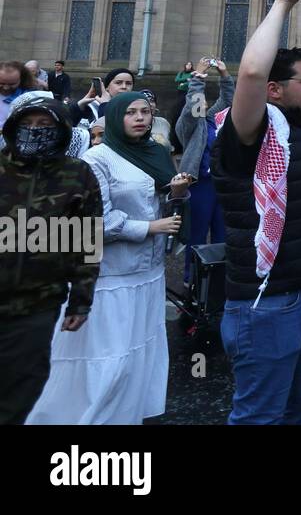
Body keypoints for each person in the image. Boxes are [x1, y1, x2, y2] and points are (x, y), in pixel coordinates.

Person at [212, 0, 301, 426]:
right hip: (268, 303)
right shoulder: (249, 131)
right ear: (274, 90)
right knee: (260, 417)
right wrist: (284, 1)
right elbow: (250, 70)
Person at [28, 92, 191, 424]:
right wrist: (148, 227)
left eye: (146, 111)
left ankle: (125, 415)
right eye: (131, 112)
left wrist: (176, 193)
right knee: (110, 357)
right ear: (116, 118)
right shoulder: (96, 159)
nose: (140, 118)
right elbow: (95, 219)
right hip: (112, 275)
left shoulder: (155, 152)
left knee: (136, 355)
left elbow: (159, 200)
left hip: (148, 272)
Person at [0, 95, 102, 425]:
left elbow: (87, 243)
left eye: (44, 125)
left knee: (20, 390)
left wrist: (80, 301)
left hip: (36, 306)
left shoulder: (77, 174)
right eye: (27, 124)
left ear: (60, 131)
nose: (34, 130)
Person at [175, 56, 234, 283]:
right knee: (196, 237)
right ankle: (192, 283)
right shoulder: (190, 124)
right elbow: (193, 107)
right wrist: (197, 77)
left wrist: (224, 74)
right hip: (199, 186)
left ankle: (219, 286)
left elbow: (228, 100)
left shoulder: (214, 120)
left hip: (222, 186)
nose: (205, 103)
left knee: (223, 238)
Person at [0, 61, 39, 126]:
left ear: (22, 79)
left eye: (12, 84)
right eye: (1, 83)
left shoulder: (30, 97)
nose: (6, 88)